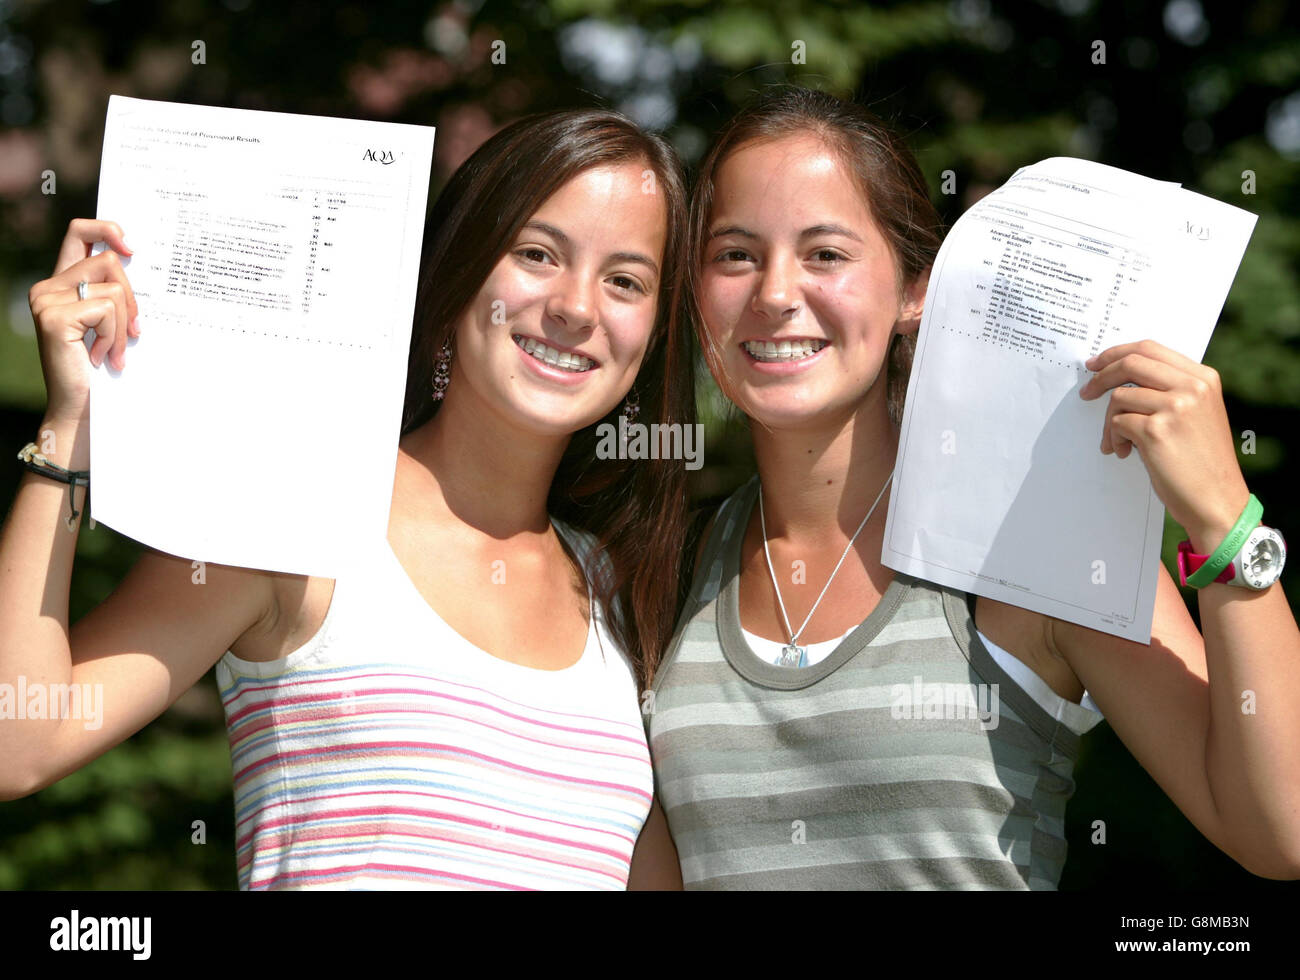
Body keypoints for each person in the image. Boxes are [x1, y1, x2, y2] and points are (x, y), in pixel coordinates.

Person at [2, 107, 687, 890]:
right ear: (456, 271)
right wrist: (70, 430)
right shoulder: (300, 508)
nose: (576, 306)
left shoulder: (621, 591)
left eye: (625, 280)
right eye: (537, 253)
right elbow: (18, 744)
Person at [646, 85, 1300, 889]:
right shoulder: (666, 565)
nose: (776, 293)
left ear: (917, 290)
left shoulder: (1031, 537)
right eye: (735, 254)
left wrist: (1227, 520)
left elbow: (1282, 832)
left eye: (826, 254)